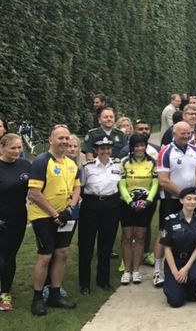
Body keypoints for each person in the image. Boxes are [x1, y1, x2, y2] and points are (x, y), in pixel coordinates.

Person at [28, 125, 81, 316]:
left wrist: (69, 208)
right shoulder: (41, 162)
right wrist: (54, 214)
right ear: (51, 140)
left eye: (67, 138)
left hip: (64, 215)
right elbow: (34, 194)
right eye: (61, 138)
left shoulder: (71, 163)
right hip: (43, 216)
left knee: (63, 253)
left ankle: (56, 294)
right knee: (46, 255)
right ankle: (37, 297)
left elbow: (77, 188)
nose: (65, 142)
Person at [154, 121, 196, 288]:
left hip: (190, 200)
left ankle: (189, 266)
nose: (187, 136)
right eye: (183, 133)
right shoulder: (165, 152)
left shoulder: (195, 150)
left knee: (191, 231)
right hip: (171, 199)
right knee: (164, 233)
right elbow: (163, 180)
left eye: (189, 133)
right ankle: (158, 269)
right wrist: (183, 195)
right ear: (174, 134)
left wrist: (195, 191)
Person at [78, 137, 122, 295]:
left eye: (108, 148)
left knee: (106, 244)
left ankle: (103, 280)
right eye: (102, 148)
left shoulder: (118, 164)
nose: (106, 151)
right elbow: (80, 187)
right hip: (91, 205)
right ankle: (84, 283)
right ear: (95, 151)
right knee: (86, 245)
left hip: (111, 206)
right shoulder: (87, 167)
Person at [118, 133, 158, 285]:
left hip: (145, 204)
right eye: (137, 146)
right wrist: (129, 201)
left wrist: (148, 200)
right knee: (128, 236)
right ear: (132, 147)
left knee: (140, 237)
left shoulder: (152, 162)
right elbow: (122, 183)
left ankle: (136, 271)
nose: (140, 148)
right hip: (127, 203)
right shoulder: (124, 162)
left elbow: (155, 183)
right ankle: (127, 271)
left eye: (142, 145)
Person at [161, 188, 196, 307]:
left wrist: (187, 267)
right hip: (174, 261)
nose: (192, 202)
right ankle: (177, 287)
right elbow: (167, 248)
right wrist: (175, 272)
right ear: (181, 200)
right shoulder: (171, 220)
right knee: (175, 302)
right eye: (189, 199)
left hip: (192, 260)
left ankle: (189, 292)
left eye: (195, 199)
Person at [0, 133, 31, 311]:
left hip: (18, 218)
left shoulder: (25, 165)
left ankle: (6, 293)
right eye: (13, 148)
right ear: (2, 148)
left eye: (19, 147)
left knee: (10, 257)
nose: (17, 151)